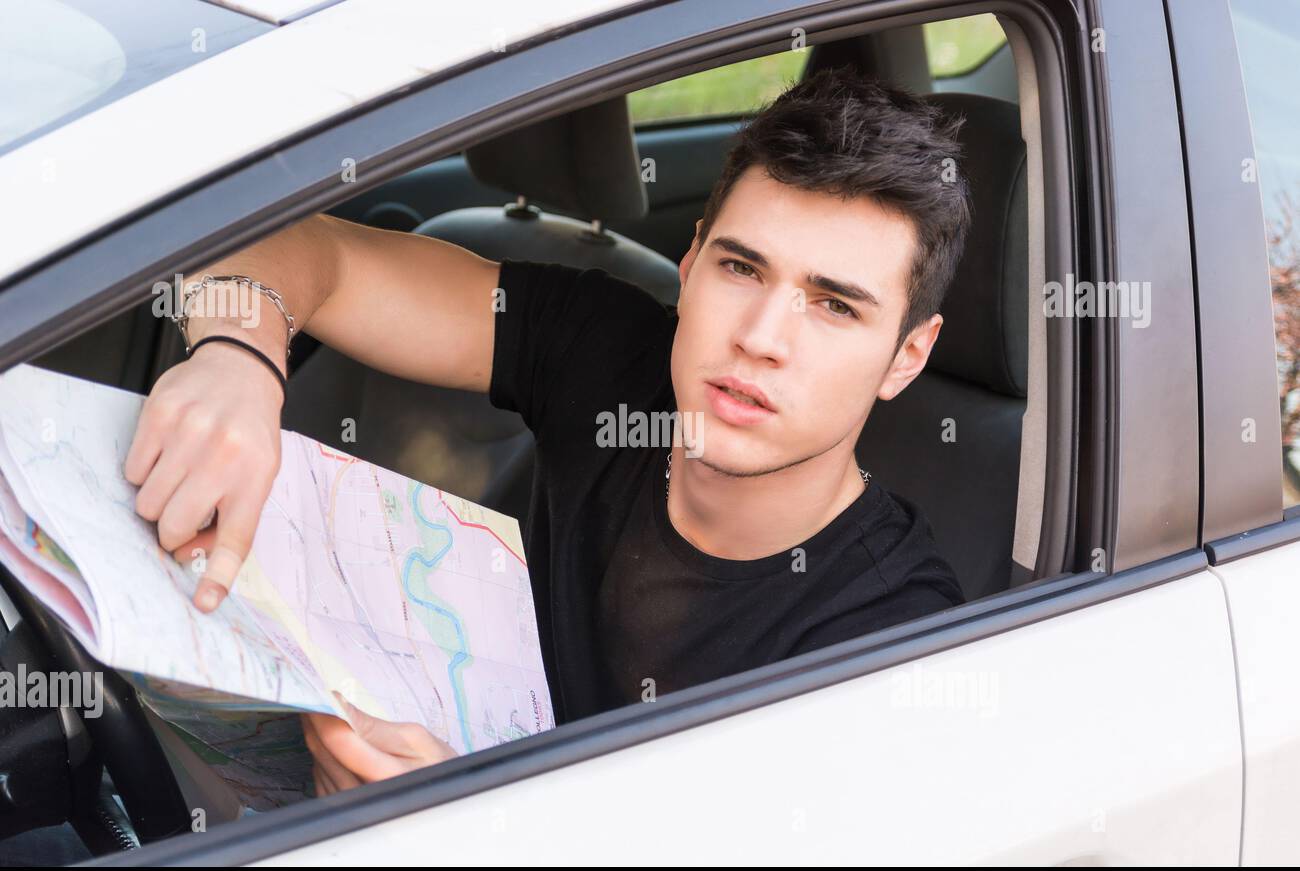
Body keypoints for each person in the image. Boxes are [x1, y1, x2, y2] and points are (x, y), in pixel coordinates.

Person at [123, 67, 972, 796]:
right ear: (690, 265)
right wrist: (238, 357)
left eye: (833, 306)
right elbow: (303, 251)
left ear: (906, 356)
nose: (761, 337)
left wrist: (468, 823)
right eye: (741, 267)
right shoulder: (606, 352)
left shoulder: (890, 635)